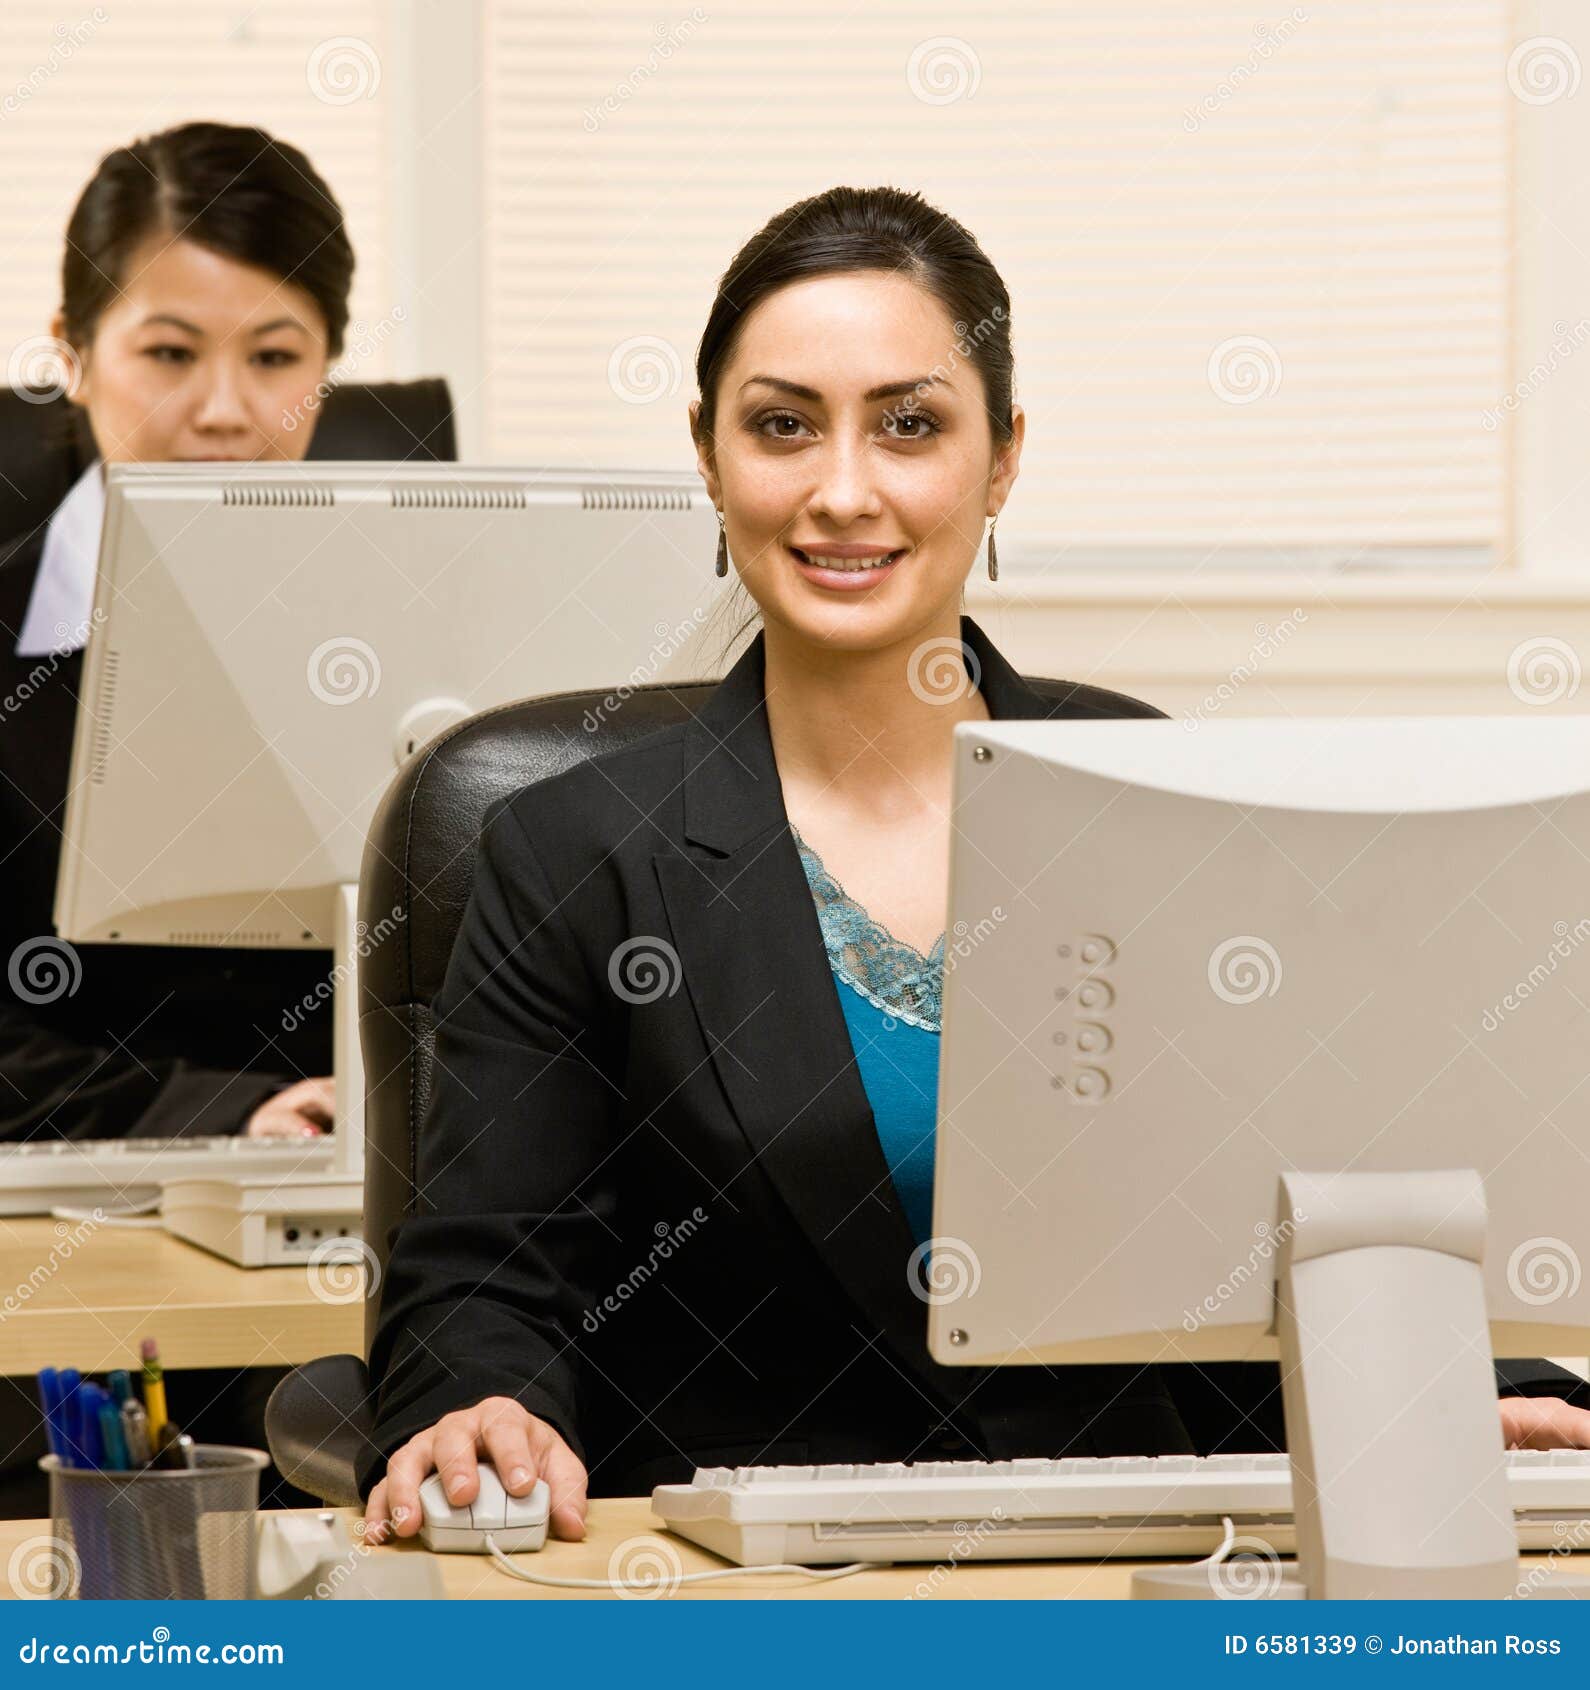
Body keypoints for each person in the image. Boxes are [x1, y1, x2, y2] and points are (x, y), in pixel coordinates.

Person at [360, 185, 1590, 1546]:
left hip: (1147, 1559)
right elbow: (483, 1275)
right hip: (757, 1585)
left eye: (910, 424)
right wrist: (480, 1399)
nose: (842, 487)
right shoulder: (569, 850)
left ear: (1001, 459)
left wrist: (1461, 1378)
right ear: (707, 457)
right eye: (780, 425)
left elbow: (1297, 1207)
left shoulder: (1149, 784)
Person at [0, 120, 357, 1515]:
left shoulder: (418, 627)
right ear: (73, 354)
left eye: (275, 356)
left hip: (339, 1297)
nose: (224, 408)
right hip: (56, 1286)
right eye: (168, 351)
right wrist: (226, 1114)